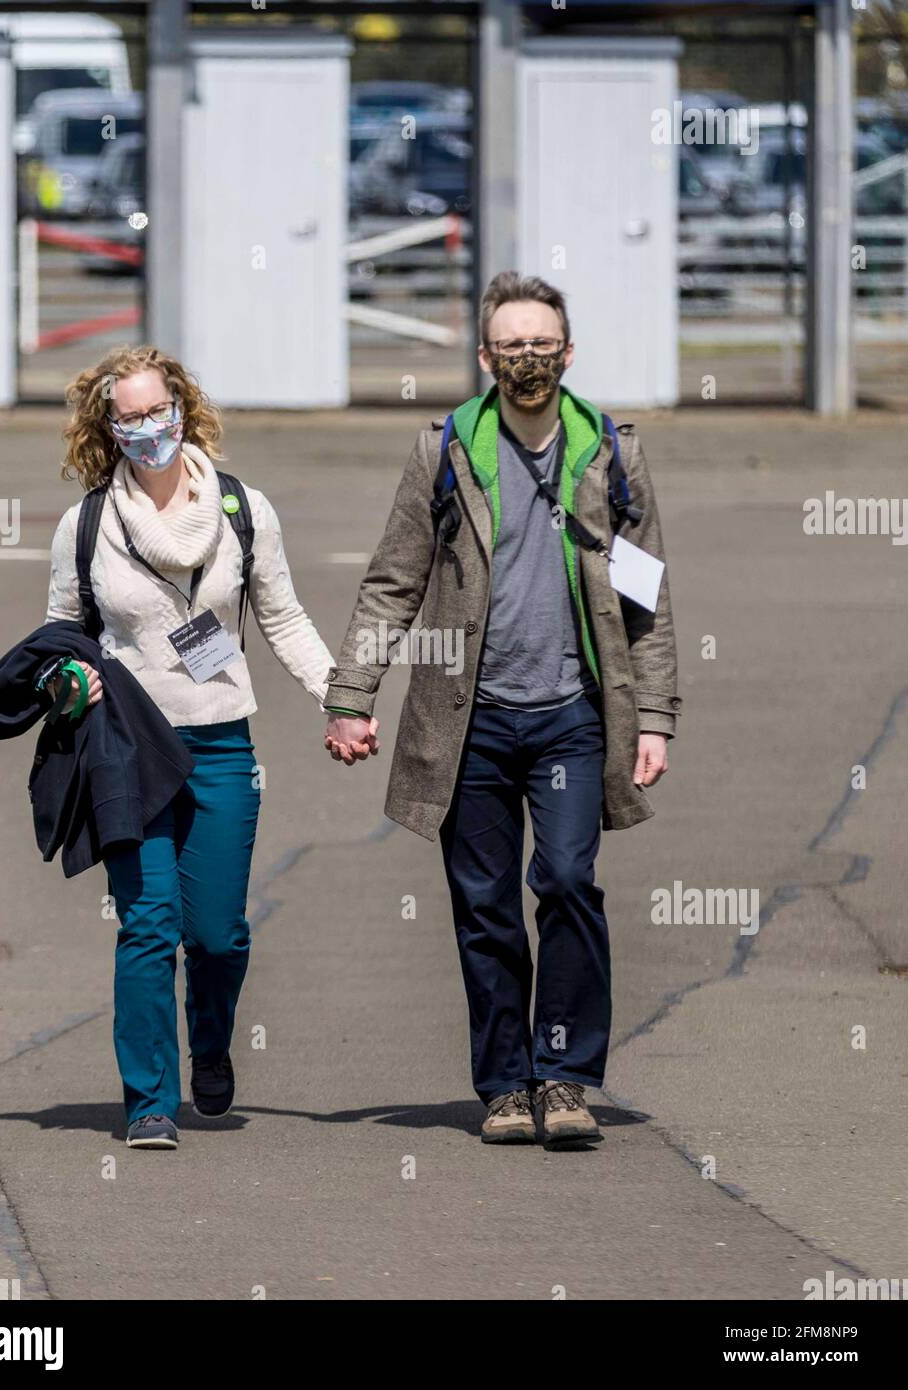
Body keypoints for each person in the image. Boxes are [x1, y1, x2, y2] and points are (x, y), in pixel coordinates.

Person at [323, 272, 681, 1148]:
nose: (529, 357)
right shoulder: (443, 452)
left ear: (568, 349)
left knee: (564, 883)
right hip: (468, 721)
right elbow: (391, 582)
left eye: (543, 341)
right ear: (486, 357)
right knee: (483, 905)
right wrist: (351, 695)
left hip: (572, 713)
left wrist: (658, 715)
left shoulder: (611, 456)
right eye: (511, 344)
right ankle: (504, 1086)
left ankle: (563, 1075)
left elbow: (648, 601)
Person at [45, 344, 334, 1150]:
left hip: (221, 750)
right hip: (129, 751)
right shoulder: (89, 524)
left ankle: (210, 1042)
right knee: (147, 925)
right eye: (128, 416)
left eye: (157, 410)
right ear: (108, 426)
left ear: (183, 407)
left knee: (215, 934)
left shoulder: (244, 509)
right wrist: (71, 678)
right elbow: (61, 636)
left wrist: (339, 699)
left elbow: (282, 617)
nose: (147, 428)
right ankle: (149, 1103)